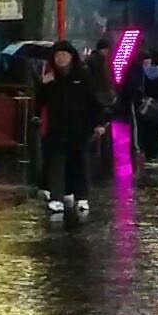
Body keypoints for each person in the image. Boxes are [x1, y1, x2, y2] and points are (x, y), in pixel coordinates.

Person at [36, 42, 100, 215]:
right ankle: (57, 198)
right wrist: (43, 84)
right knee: (57, 163)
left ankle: (81, 197)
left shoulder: (83, 76)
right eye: (57, 56)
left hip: (80, 128)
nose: (61, 59)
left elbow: (94, 101)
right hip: (56, 129)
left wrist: (98, 123)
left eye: (64, 55)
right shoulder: (50, 78)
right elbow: (40, 102)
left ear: (72, 57)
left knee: (79, 163)